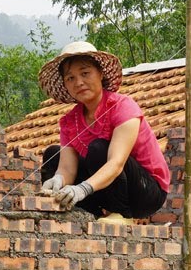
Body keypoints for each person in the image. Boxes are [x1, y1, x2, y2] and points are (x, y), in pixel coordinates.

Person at [36, 41, 170, 218]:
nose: (79, 82)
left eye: (85, 73)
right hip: (103, 188)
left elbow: (116, 163)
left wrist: (82, 189)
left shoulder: (122, 106)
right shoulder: (69, 121)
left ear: (100, 73)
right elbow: (67, 169)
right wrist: (58, 180)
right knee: (53, 154)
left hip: (145, 192)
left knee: (98, 148)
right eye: (70, 78)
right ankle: (85, 215)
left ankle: (119, 214)